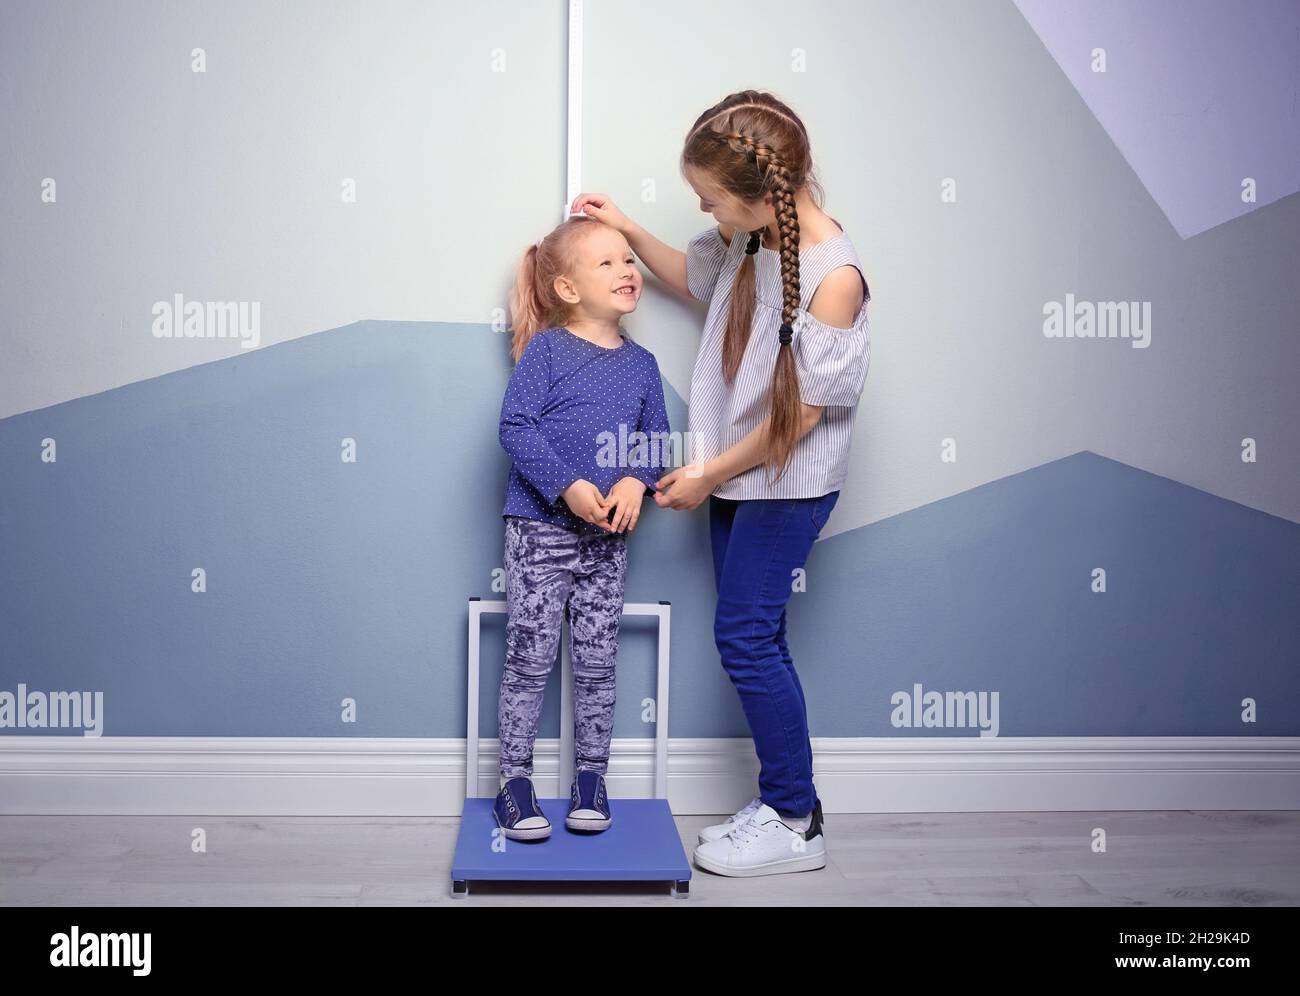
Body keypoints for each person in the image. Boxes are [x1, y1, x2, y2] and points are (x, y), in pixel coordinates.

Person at [571, 89, 871, 875]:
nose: (703, 211)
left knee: (744, 638)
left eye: (708, 199)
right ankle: (783, 801)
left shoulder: (834, 278)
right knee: (755, 635)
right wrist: (628, 228)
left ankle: (795, 820)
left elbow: (797, 423)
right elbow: (694, 279)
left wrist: (705, 474)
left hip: (786, 483)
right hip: (736, 477)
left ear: (754, 194)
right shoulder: (748, 241)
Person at [493, 215, 671, 841]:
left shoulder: (643, 365)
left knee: (597, 663)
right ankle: (514, 784)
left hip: (607, 543)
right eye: (608, 263)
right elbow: (515, 426)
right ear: (568, 288)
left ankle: (591, 780)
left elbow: (655, 440)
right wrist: (567, 485)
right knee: (529, 659)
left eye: (629, 260)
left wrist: (635, 483)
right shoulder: (546, 349)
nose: (627, 270)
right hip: (540, 532)